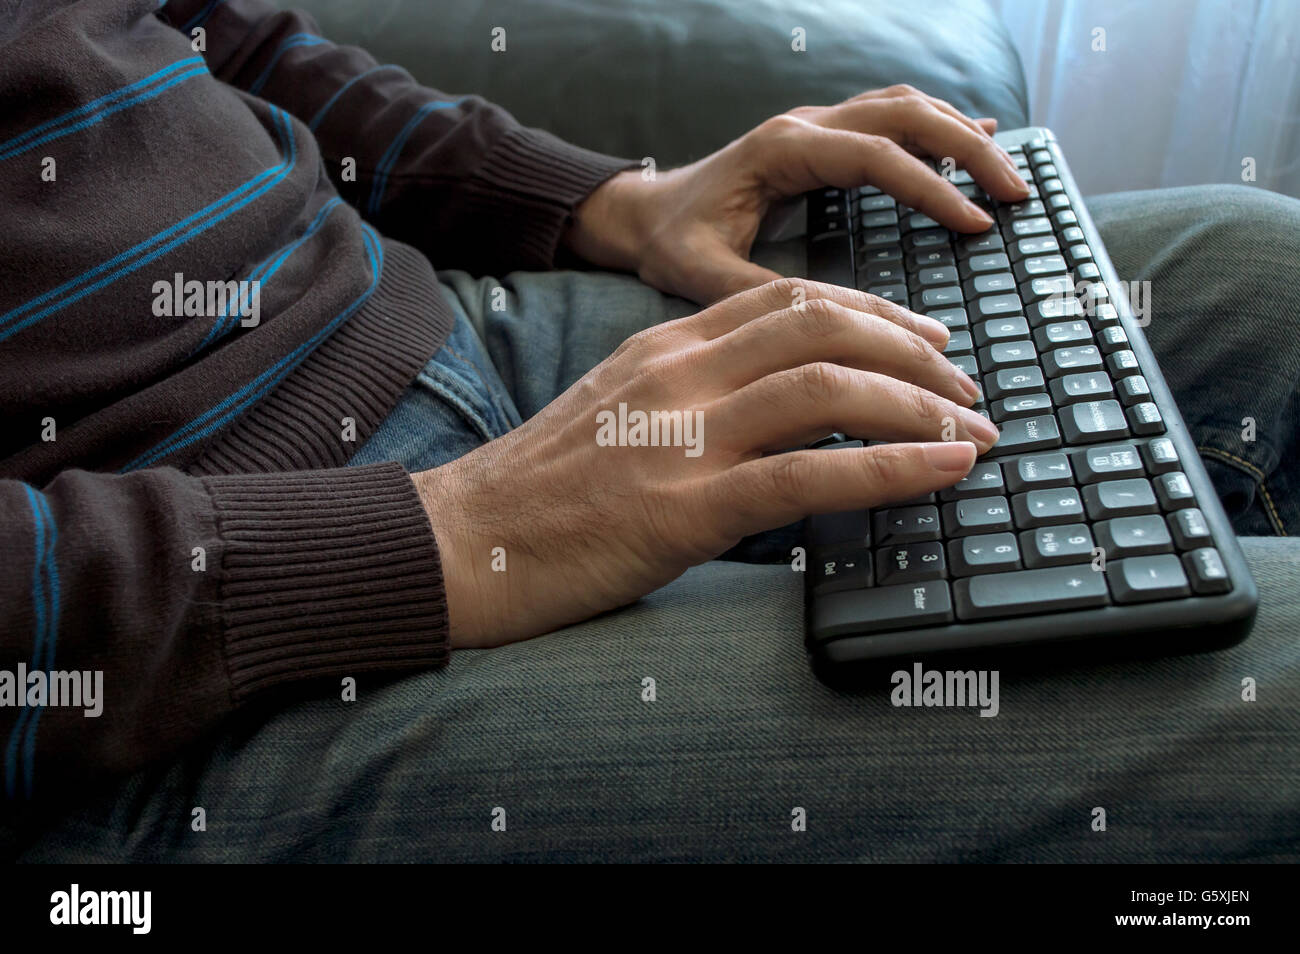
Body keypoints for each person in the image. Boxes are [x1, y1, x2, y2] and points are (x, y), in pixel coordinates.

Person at [1, 0, 1296, 862]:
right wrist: (453, 532)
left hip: (448, 326)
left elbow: (212, 35)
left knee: (1262, 278)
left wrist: (614, 201)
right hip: (181, 670)